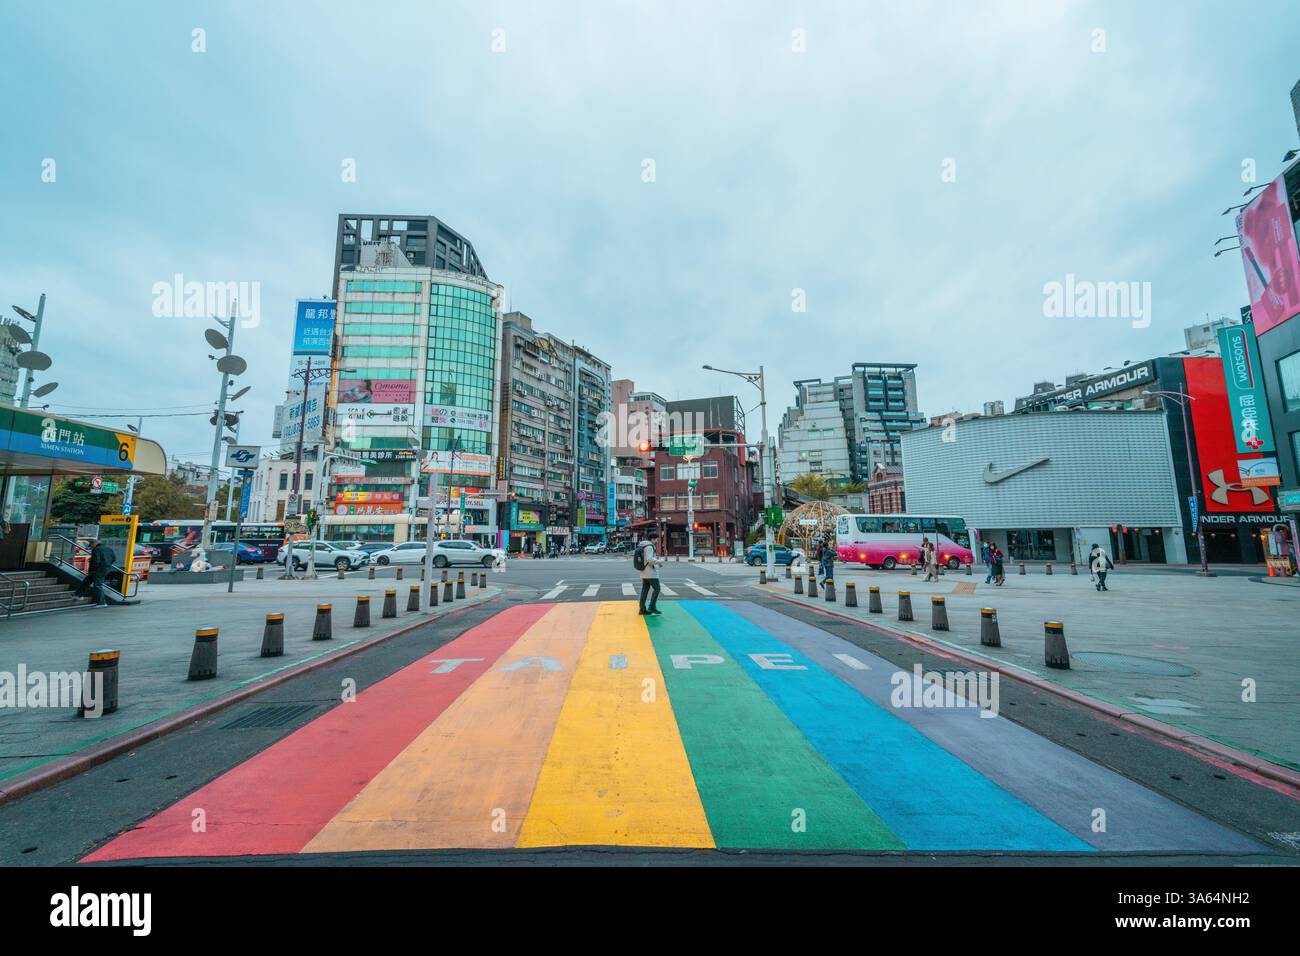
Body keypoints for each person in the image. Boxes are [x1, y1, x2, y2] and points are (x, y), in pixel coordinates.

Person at [75, 539, 116, 607]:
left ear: (94, 544)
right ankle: (79, 595)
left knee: (97, 585)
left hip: (97, 570)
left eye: (91, 545)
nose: (91, 547)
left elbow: (96, 560)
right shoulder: (108, 548)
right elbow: (114, 558)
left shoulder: (96, 549)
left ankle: (102, 602)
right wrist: (107, 565)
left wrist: (93, 569)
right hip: (106, 569)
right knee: (87, 581)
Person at [635, 535, 663, 615]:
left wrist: (656, 563)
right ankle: (652, 607)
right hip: (650, 573)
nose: (657, 541)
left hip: (644, 571)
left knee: (645, 590)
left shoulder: (642, 545)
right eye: (656, 539)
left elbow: (646, 559)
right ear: (652, 539)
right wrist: (659, 561)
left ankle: (642, 609)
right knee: (657, 589)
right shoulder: (649, 547)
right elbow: (649, 559)